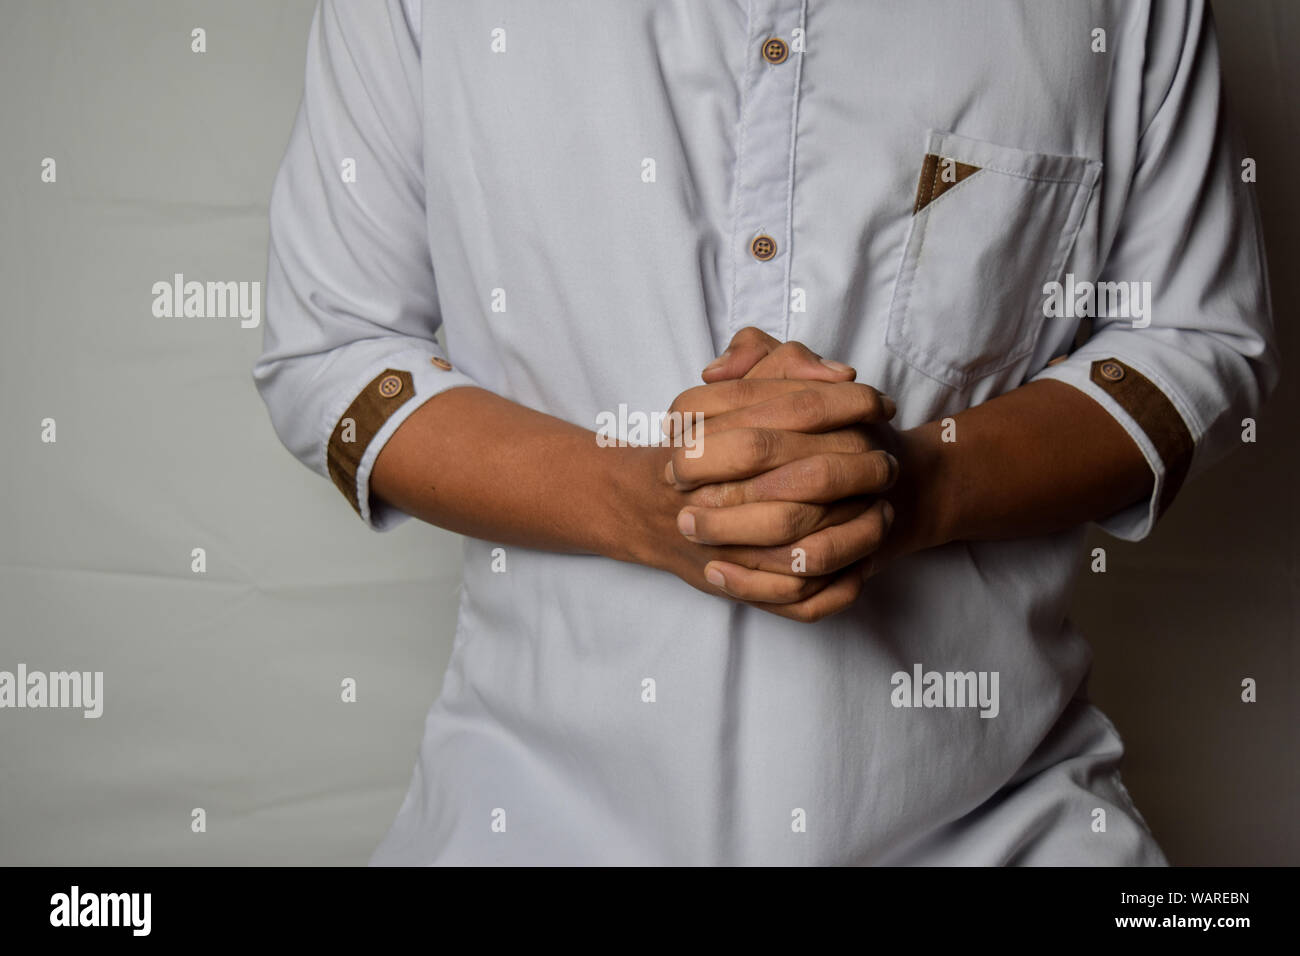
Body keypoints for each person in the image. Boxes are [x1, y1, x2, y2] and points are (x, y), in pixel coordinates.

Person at [254, 0, 1276, 865]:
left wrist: (913, 483)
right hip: (522, 820)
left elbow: (1195, 338)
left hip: (1005, 827)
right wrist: (635, 499)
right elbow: (332, 346)